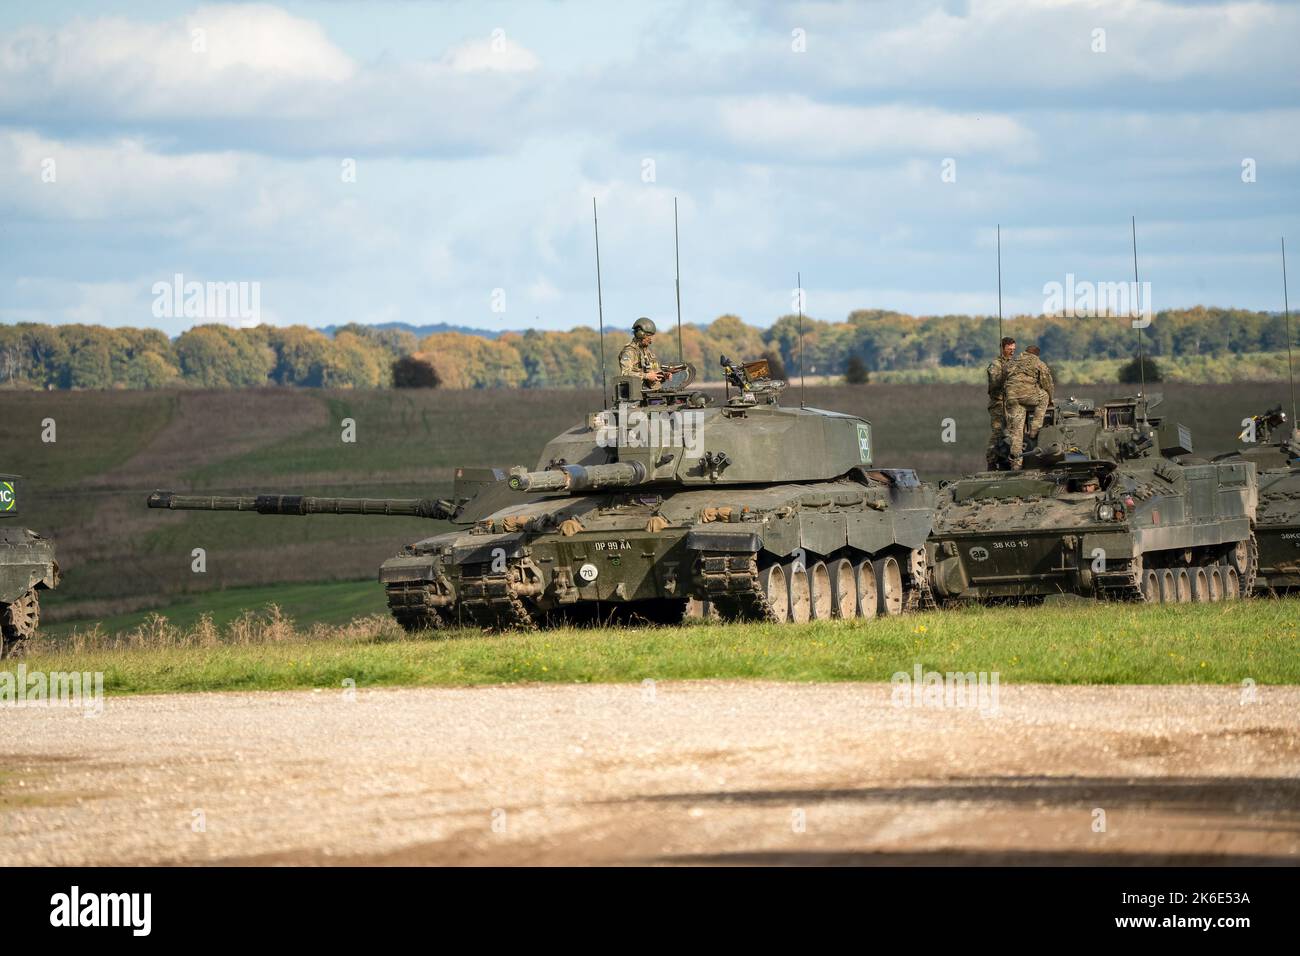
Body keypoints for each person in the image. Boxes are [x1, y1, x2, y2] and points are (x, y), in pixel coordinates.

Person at [1004, 345, 1055, 470]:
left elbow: (1005, 378)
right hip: (1027, 395)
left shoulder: (1013, 361)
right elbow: (1047, 382)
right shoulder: (1038, 362)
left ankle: (1016, 462)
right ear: (1037, 354)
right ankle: (1034, 429)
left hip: (1011, 398)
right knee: (1044, 396)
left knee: (1016, 431)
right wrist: (1051, 398)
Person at [985, 336, 1016, 468]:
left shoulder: (1015, 364)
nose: (1012, 351)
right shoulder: (996, 365)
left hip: (1011, 404)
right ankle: (991, 460)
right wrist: (1003, 374)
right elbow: (994, 384)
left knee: (1014, 432)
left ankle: (1010, 458)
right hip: (998, 404)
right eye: (1009, 349)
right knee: (998, 432)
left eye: (1013, 349)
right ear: (1002, 348)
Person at [618, 317, 667, 388]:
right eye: (648, 336)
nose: (650, 339)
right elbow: (625, 373)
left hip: (651, 391)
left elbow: (654, 369)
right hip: (635, 392)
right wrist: (646, 376)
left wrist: (663, 374)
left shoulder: (648, 352)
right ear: (640, 334)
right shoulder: (629, 352)